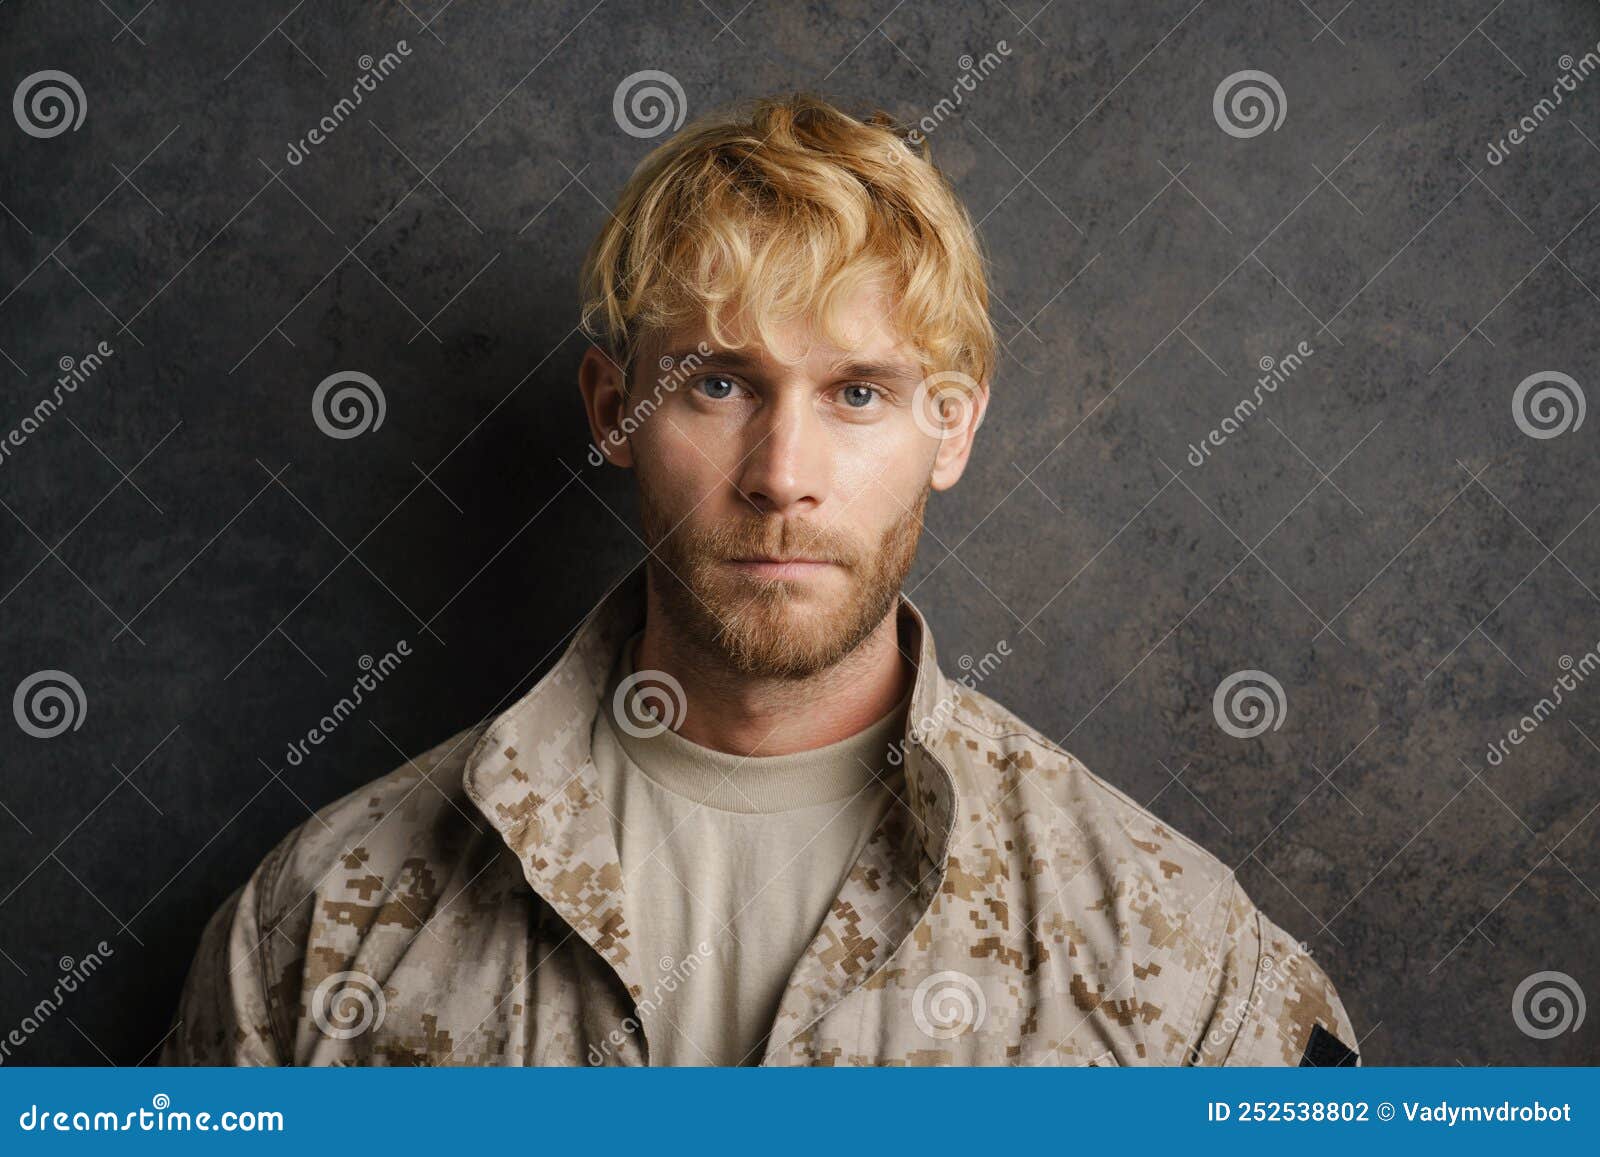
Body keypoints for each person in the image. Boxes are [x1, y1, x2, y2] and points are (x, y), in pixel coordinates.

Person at [161, 92, 1358, 1067]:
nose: (782, 476)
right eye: (718, 383)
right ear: (613, 412)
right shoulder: (324, 923)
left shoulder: (1177, 954)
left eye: (858, 392)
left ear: (952, 431)